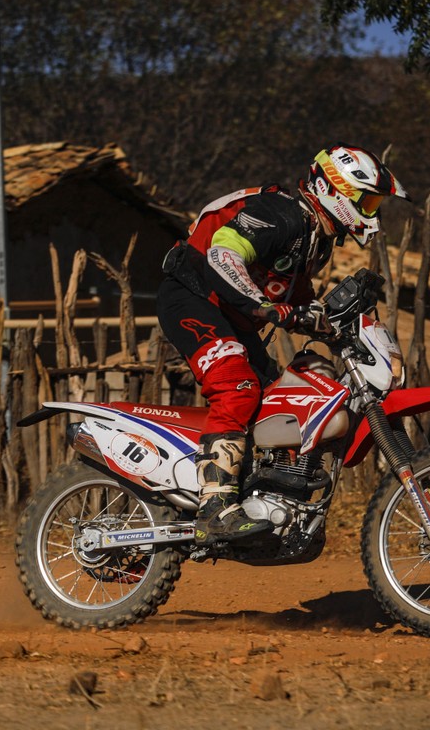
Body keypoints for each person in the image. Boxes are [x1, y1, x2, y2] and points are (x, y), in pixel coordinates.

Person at [157, 144, 408, 544]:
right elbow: (223, 255)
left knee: (278, 398)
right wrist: (268, 309)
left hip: (233, 316)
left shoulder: (315, 239)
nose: (373, 211)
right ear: (336, 190)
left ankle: (263, 495)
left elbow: (292, 293)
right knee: (236, 387)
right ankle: (214, 509)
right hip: (193, 299)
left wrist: (329, 323)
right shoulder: (282, 214)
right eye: (368, 200)